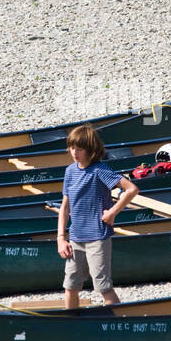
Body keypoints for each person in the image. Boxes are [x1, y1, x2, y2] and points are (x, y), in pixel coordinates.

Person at [57, 125, 140, 309]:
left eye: (79, 148)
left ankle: (121, 322)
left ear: (90, 149)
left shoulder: (100, 170)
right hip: (75, 239)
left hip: (98, 238)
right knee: (70, 286)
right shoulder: (69, 171)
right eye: (72, 147)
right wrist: (61, 238)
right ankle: (73, 325)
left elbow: (131, 189)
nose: (74, 152)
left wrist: (112, 212)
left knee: (103, 287)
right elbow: (65, 207)